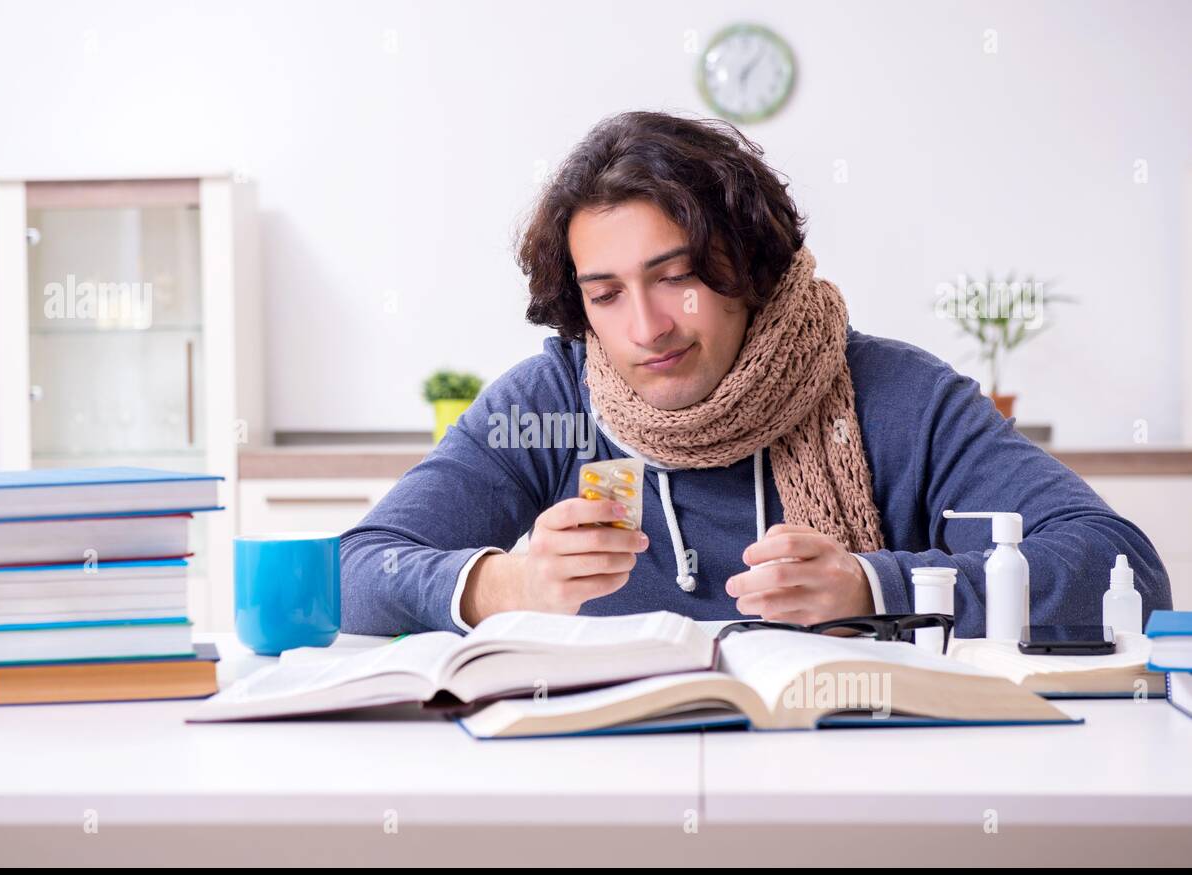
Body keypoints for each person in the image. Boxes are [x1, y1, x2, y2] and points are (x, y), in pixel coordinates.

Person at [340, 111, 1170, 638]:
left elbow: (1119, 564)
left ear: (751, 262)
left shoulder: (894, 398)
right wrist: (503, 581)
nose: (647, 326)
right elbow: (355, 570)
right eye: (606, 294)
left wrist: (869, 583)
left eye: (677, 276)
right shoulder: (556, 402)